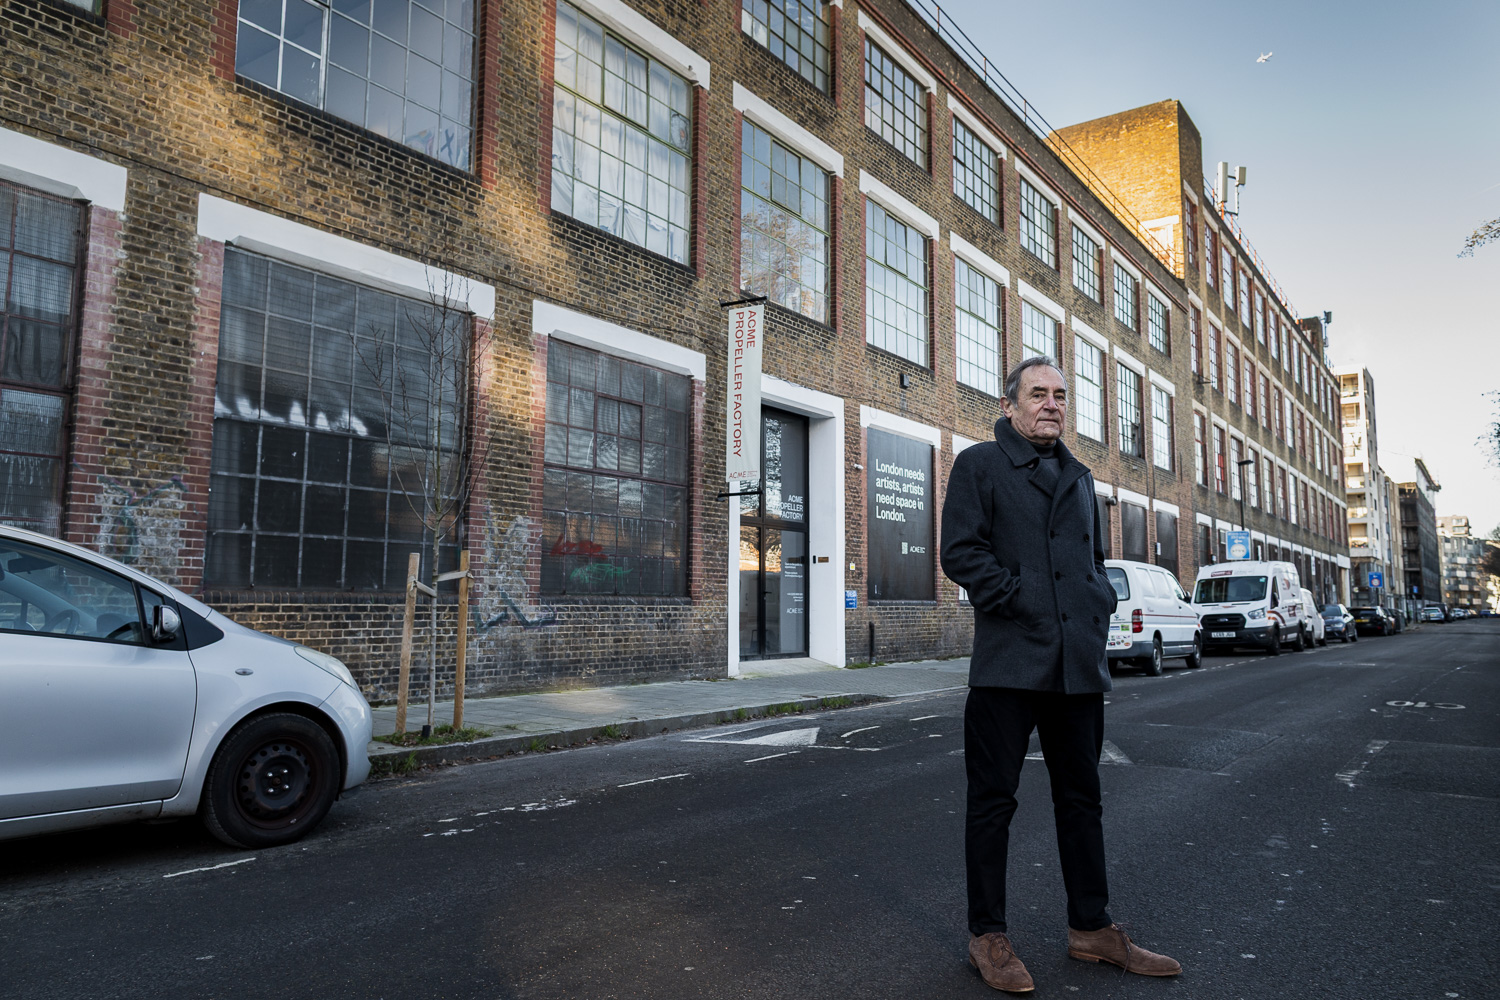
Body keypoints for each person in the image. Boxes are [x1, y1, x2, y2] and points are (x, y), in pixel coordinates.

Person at [941, 356, 1181, 992]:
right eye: (1038, 394)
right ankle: (987, 937)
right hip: (1009, 665)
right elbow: (960, 552)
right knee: (992, 803)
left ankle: (1091, 929)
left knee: (1082, 801)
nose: (1051, 404)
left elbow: (1095, 562)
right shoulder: (979, 465)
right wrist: (1021, 598)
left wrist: (1097, 600)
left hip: (1077, 666)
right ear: (1009, 404)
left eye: (1060, 395)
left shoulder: (1079, 477)